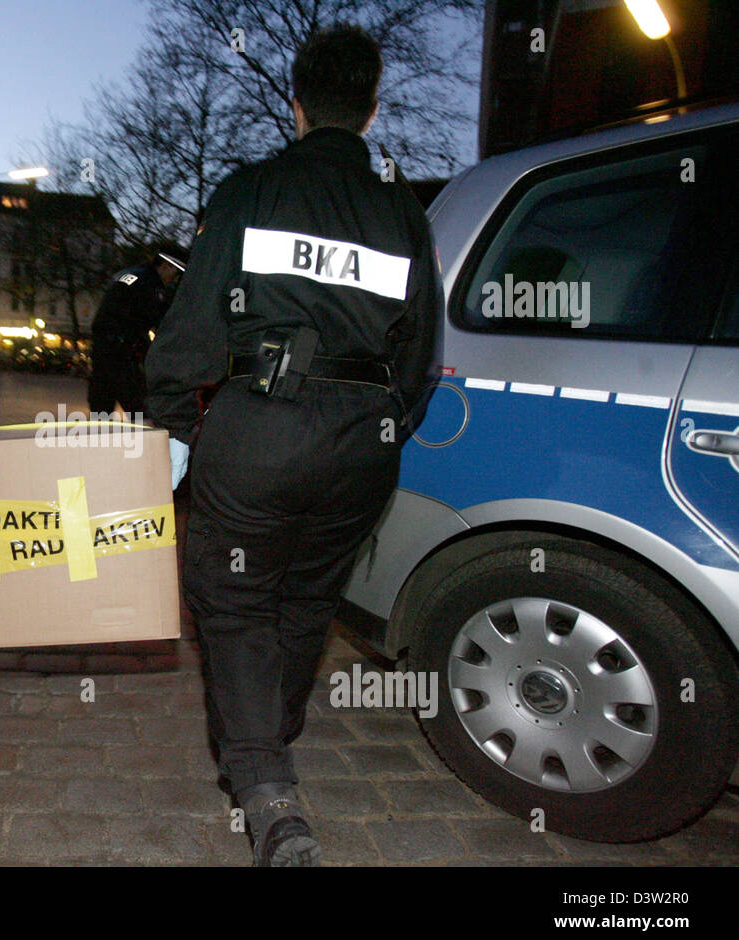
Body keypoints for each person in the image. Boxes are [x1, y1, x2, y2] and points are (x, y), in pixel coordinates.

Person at [145, 25, 439, 866]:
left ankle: (268, 791)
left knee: (232, 600)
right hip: (361, 443)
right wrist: (384, 426)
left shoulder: (252, 190)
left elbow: (195, 324)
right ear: (374, 110)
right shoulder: (402, 213)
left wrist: (168, 426)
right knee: (307, 600)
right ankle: (263, 742)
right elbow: (421, 356)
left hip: (259, 429)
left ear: (297, 104)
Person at [87, 243, 187, 418]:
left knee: (101, 405)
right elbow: (160, 323)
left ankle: (100, 440)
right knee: (140, 408)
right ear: (166, 266)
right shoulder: (151, 285)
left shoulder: (130, 274)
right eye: (176, 274)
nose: (176, 280)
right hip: (122, 353)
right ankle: (145, 442)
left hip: (103, 348)